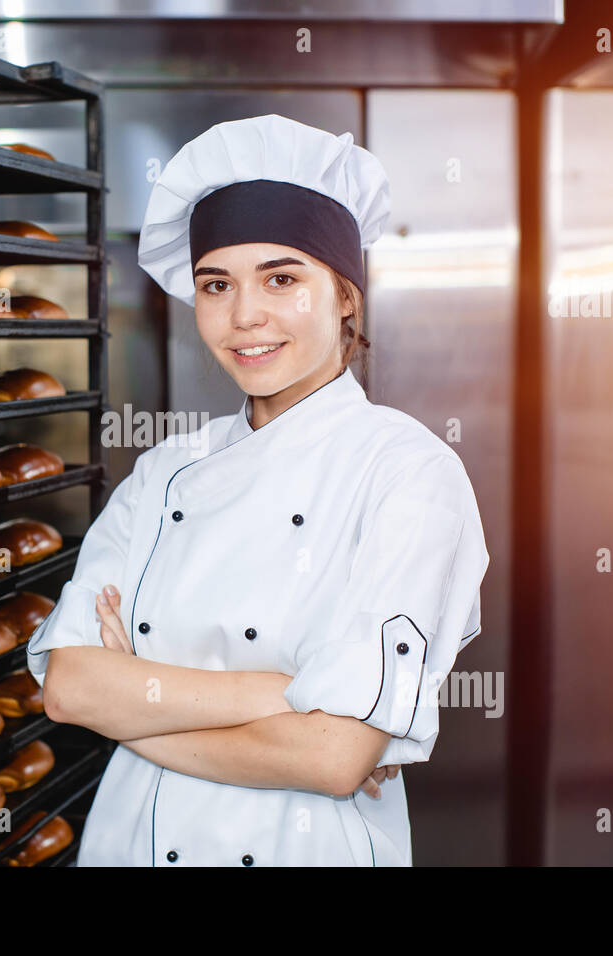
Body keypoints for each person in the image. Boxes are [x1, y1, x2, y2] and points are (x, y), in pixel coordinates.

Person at [26, 114, 489, 866]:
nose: (245, 316)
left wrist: (135, 704)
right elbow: (71, 689)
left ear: (346, 296)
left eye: (282, 278)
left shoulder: (407, 473)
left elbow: (334, 756)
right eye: (217, 284)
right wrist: (288, 692)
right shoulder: (164, 470)